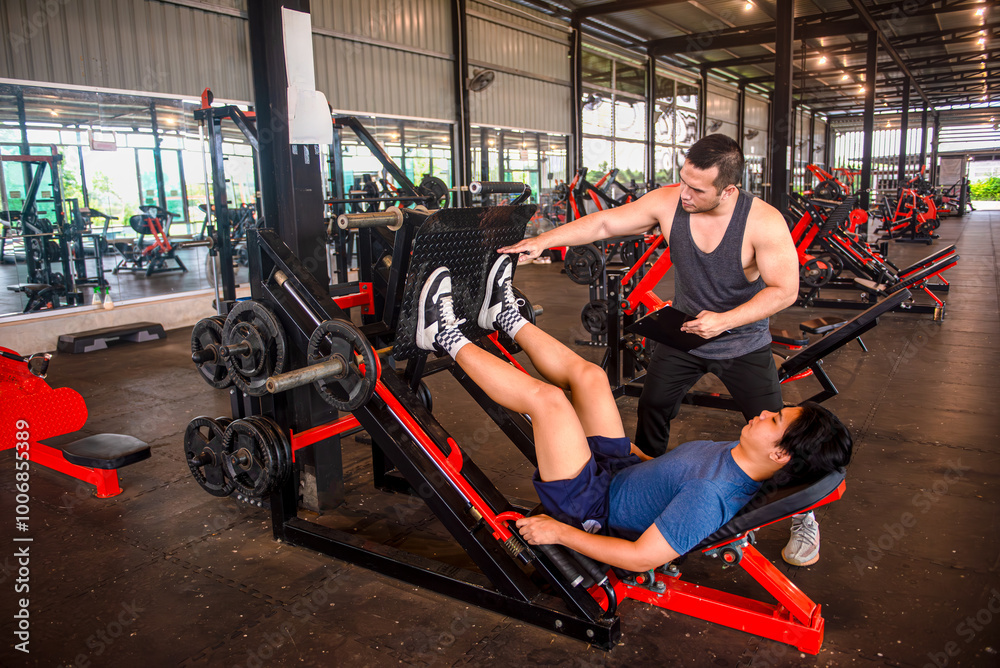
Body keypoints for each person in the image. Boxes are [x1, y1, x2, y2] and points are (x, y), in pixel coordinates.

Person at [498, 134, 822, 568]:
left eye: (697, 189)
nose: (684, 195)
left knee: (779, 434)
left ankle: (805, 517)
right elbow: (606, 223)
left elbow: (785, 290)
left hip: (743, 342)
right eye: (683, 181)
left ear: (728, 190)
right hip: (685, 333)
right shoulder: (672, 203)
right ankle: (640, 496)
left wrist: (724, 320)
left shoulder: (762, 222)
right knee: (652, 406)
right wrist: (545, 240)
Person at [414, 254, 852, 572]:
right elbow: (674, 473)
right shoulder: (743, 455)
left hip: (591, 506)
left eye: (774, 421)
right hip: (620, 471)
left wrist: (559, 533)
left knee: (549, 401)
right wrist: (640, 460)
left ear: (780, 456)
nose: (763, 415)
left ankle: (443, 336)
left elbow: (643, 560)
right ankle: (504, 317)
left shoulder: (711, 497)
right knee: (590, 377)